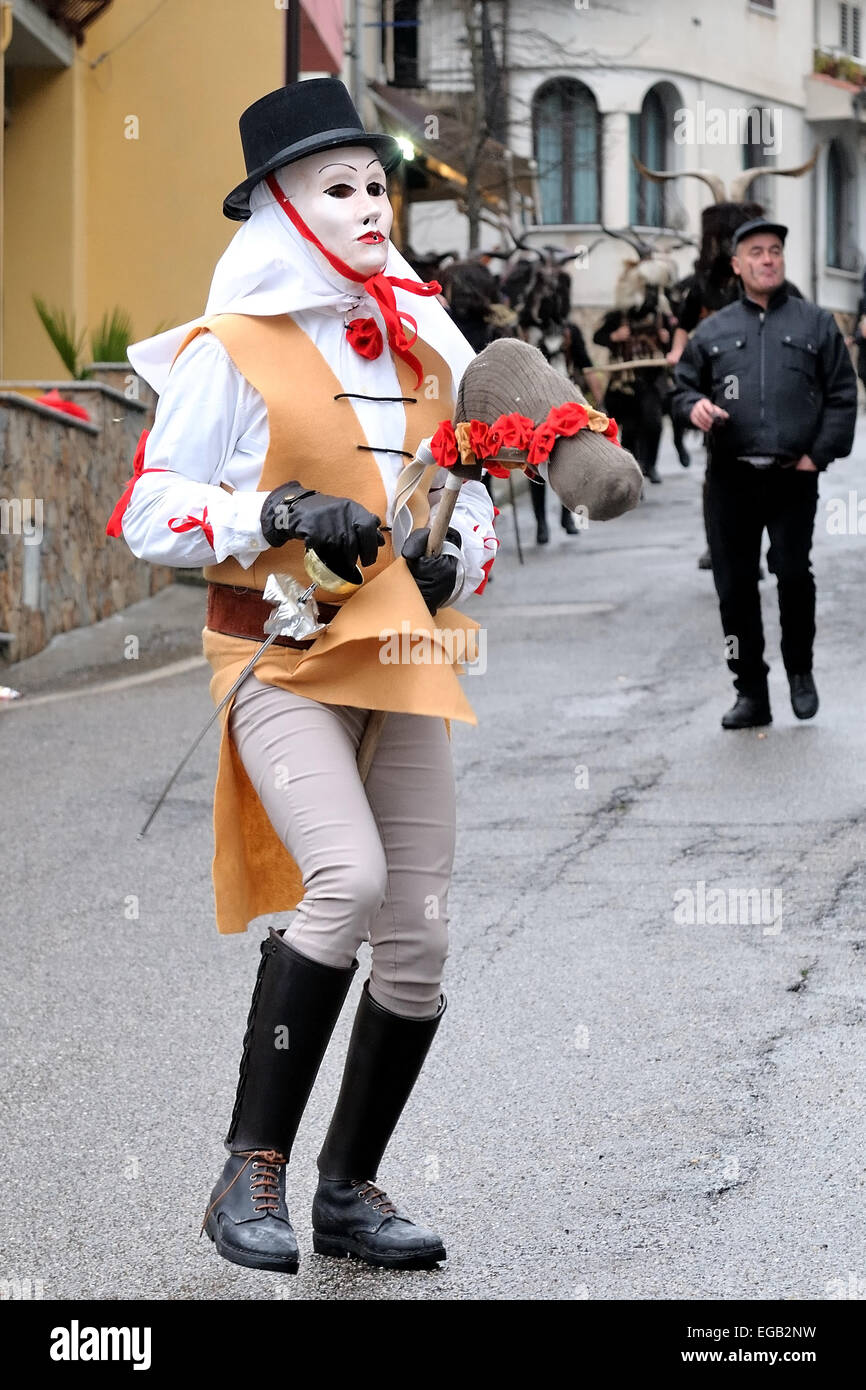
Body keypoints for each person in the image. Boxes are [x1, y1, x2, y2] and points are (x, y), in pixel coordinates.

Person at [111, 78, 499, 1274]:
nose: (369, 203)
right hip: (277, 652)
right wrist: (269, 507)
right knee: (348, 877)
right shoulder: (231, 348)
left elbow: (470, 497)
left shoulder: (430, 339)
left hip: (404, 653)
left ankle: (348, 1189)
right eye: (338, 186)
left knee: (419, 935)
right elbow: (146, 512)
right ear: (280, 207)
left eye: (377, 182)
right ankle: (250, 1170)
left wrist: (453, 556)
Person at [673, 219, 857, 729]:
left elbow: (843, 395)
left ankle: (800, 671)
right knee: (733, 588)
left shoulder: (816, 324)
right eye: (756, 252)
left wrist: (816, 456)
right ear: (737, 265)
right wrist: (694, 408)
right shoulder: (712, 331)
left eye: (775, 250)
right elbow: (681, 388)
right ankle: (750, 691)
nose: (768, 259)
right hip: (730, 480)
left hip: (792, 477)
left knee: (794, 575)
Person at [594, 256, 677, 486]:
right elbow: (598, 336)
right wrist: (614, 337)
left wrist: (667, 340)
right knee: (630, 428)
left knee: (654, 423)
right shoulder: (618, 317)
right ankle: (634, 472)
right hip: (625, 383)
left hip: (651, 380)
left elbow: (675, 346)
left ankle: (651, 465)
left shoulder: (661, 317)